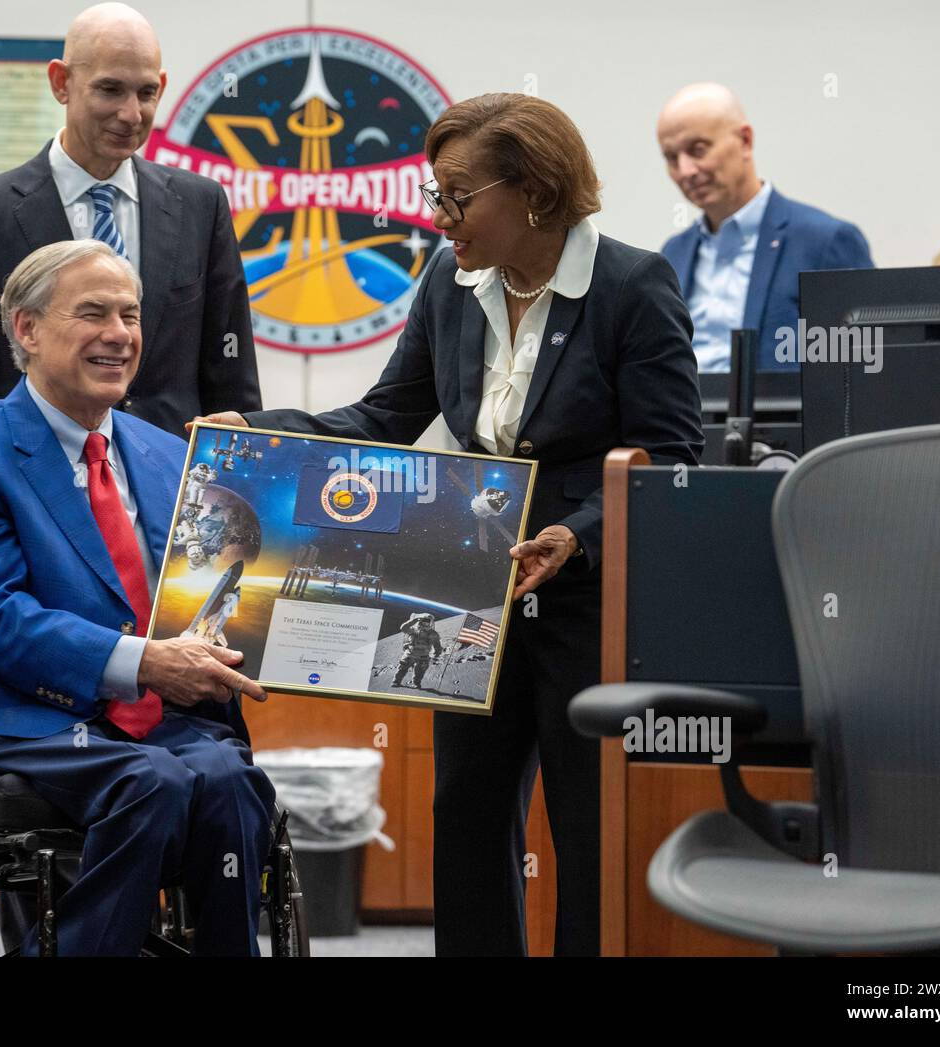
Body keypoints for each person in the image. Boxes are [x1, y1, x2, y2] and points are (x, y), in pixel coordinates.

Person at [193, 93, 703, 955]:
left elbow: (673, 458)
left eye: (456, 198)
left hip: (589, 601)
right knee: (464, 813)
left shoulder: (629, 284)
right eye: (436, 195)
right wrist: (267, 431)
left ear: (533, 190)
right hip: (471, 591)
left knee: (584, 825)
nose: (439, 217)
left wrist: (576, 534)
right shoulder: (448, 281)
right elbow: (386, 416)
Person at [0, 240, 274, 956]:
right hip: (29, 722)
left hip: (164, 723)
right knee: (153, 782)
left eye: (131, 315)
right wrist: (141, 662)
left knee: (229, 778)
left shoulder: (172, 453)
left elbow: (212, 595)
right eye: (94, 313)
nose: (119, 334)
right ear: (27, 329)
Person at [0, 2, 260, 435]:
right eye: (110, 90)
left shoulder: (201, 204)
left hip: (169, 483)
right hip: (35, 486)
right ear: (61, 82)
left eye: (146, 93)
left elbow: (231, 378)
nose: (131, 114)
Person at [656, 82, 874, 373]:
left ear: (745, 140)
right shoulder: (674, 253)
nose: (685, 171)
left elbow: (865, 365)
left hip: (780, 417)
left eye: (698, 150)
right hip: (684, 417)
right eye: (672, 158)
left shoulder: (826, 241)